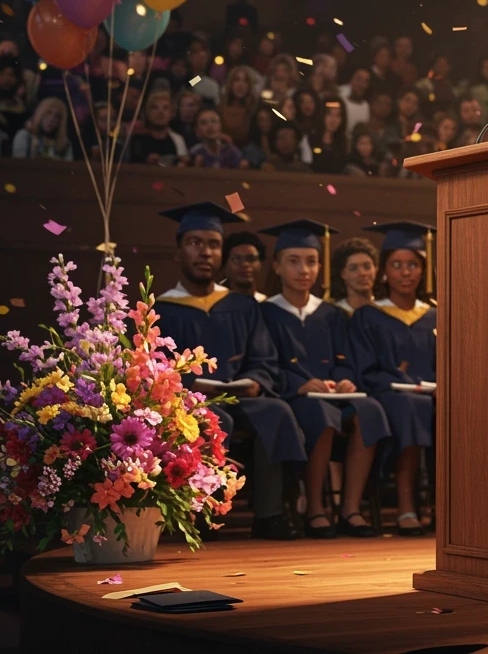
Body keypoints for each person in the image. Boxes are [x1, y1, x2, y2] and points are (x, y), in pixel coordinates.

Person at [153, 202, 307, 540]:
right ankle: (202, 513)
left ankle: (270, 514)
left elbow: (264, 358)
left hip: (240, 396)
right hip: (189, 402)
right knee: (212, 418)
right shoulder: (162, 309)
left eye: (213, 244)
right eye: (195, 243)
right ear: (178, 252)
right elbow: (157, 369)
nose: (205, 252)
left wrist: (256, 382)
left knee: (277, 411)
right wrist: (194, 387)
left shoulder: (241, 305)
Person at [258, 220, 390, 539]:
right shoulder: (265, 313)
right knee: (320, 413)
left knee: (371, 410)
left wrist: (345, 380)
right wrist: (298, 385)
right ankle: (315, 508)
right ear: (277, 266)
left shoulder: (331, 314)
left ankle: (350, 509)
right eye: (294, 261)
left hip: (332, 395)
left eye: (312, 261)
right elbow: (265, 363)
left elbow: (344, 360)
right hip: (292, 398)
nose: (304, 270)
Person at [345, 222, 439, 536]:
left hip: (432, 396)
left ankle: (449, 506)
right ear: (384, 270)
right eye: (396, 265)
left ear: (423, 270)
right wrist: (400, 382)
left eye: (413, 265)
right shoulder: (369, 316)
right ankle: (405, 506)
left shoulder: (436, 316)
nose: (405, 272)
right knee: (410, 405)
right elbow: (366, 370)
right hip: (389, 395)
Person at [129, 88, 188, 165]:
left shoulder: (178, 140)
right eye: (154, 108)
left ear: (172, 113)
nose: (160, 112)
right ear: (147, 112)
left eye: (165, 108)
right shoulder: (137, 140)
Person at [331, 236, 379, 315]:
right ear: (343, 274)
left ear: (376, 269)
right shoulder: (334, 315)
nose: (362, 273)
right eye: (353, 268)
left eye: (367, 267)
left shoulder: (386, 311)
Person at [221, 230, 267, 301]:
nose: (245, 264)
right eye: (236, 259)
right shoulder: (213, 301)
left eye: (251, 259)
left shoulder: (264, 303)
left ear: (260, 263)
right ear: (225, 264)